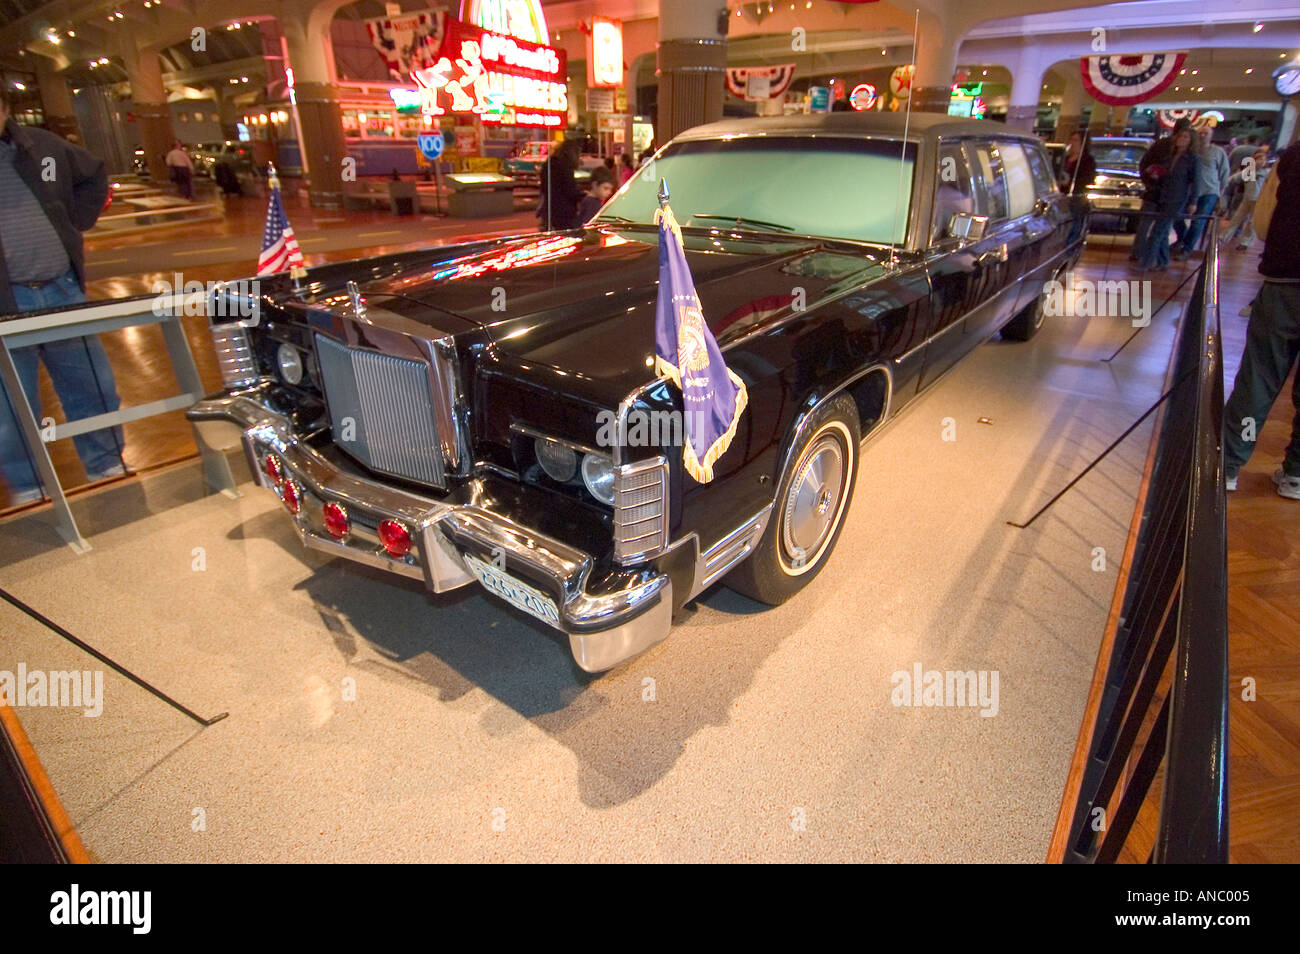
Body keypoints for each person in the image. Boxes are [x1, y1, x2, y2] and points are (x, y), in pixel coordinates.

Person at [0, 87, 124, 507]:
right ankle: (31, 491)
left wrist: (73, 219)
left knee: (92, 386)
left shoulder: (43, 148)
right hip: (5, 304)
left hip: (60, 289)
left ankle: (108, 468)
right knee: (10, 407)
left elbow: (93, 174)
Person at [1223, 141, 1300, 500]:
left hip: (1286, 283)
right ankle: (1296, 474)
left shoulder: (1293, 158)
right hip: (1285, 284)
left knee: (1260, 379)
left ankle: (1229, 465)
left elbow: (1265, 224)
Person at [1136, 126, 1198, 273]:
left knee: (1157, 232)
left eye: (1186, 137)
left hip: (1176, 199)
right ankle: (1163, 261)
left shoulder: (1192, 159)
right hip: (1163, 197)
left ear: (1190, 141)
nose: (1182, 139)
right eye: (1180, 136)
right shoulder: (1170, 157)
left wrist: (1193, 201)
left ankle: (1147, 263)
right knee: (1162, 232)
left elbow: (1196, 181)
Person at [1172, 127, 1228, 259]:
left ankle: (1187, 249)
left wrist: (1221, 192)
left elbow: (1224, 172)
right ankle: (1182, 238)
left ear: (1211, 136)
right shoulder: (1191, 151)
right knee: (1177, 216)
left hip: (1209, 191)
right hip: (1189, 191)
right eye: (1200, 133)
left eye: (1206, 133)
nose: (1202, 136)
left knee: (1198, 222)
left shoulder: (1218, 152)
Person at [1221, 149, 1271, 251]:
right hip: (1247, 198)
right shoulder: (1249, 171)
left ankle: (1245, 242)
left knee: (1251, 222)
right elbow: (1236, 177)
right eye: (1258, 159)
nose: (1261, 161)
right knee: (1237, 218)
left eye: (1263, 159)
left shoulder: (1266, 173)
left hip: (1258, 200)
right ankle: (1224, 236)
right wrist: (1227, 180)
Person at [536, 138, 583, 231]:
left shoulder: (549, 163)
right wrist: (583, 195)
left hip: (549, 209)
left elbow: (544, 187)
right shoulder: (566, 166)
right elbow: (570, 190)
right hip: (564, 211)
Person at [1058, 129, 1097, 195]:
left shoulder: (1087, 161)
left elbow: (1087, 180)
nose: (1072, 142)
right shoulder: (1065, 158)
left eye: (1075, 140)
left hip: (1076, 194)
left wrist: (1069, 182)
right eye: (1071, 139)